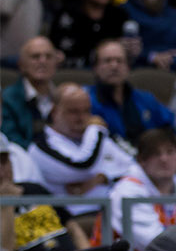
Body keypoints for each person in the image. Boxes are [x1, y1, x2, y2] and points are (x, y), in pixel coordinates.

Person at [26, 83, 135, 213]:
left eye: (87, 111)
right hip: (70, 219)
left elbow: (134, 168)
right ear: (54, 112)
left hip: (110, 214)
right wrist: (96, 129)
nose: (82, 119)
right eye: (74, 112)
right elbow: (82, 165)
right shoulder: (40, 146)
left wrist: (102, 177)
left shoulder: (95, 140)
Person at [1, 132, 91, 251]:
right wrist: (7, 205)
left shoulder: (33, 189)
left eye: (4, 161)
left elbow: (72, 227)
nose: (1, 171)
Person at [108, 128, 176, 251]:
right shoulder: (127, 191)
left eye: (170, 152)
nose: (164, 159)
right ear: (142, 160)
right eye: (156, 154)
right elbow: (156, 244)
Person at [87, 39, 176, 142]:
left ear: (128, 68)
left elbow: (170, 127)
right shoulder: (85, 101)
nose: (114, 66)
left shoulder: (146, 100)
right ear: (96, 68)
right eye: (107, 61)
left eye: (119, 61)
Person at [2, 36, 60, 148]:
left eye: (48, 57)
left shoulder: (63, 97)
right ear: (21, 65)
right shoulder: (7, 98)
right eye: (35, 57)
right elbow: (11, 141)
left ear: (56, 63)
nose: (43, 61)